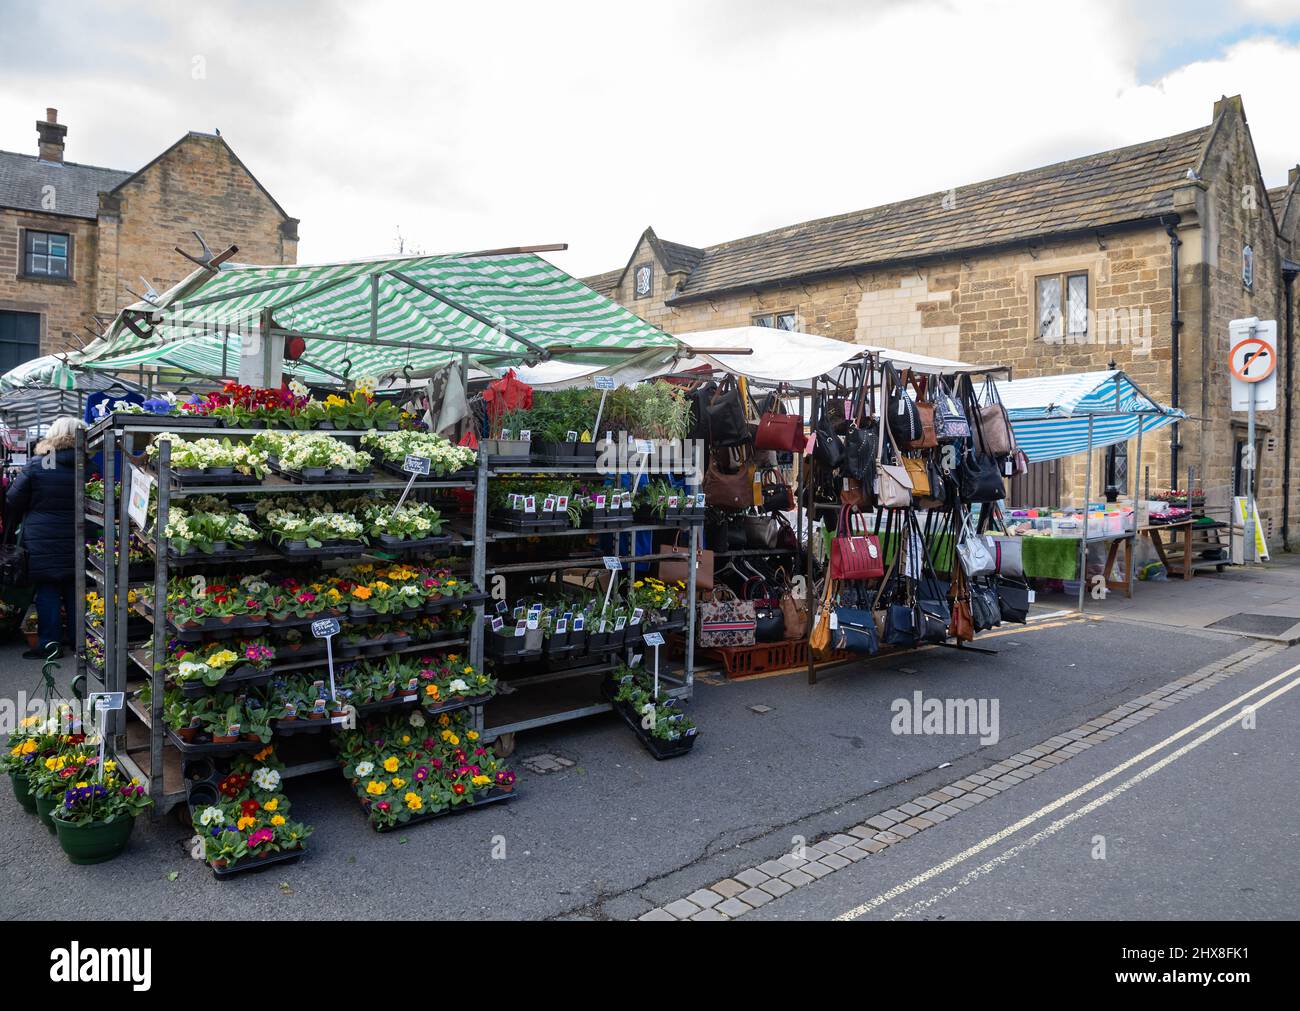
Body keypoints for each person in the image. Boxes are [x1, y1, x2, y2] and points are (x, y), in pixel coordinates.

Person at [5, 416, 81, 659]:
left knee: (47, 589)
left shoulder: (41, 462)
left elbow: (13, 499)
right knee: (74, 587)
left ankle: (50, 644)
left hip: (41, 538)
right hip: (78, 536)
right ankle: (81, 643)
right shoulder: (87, 464)